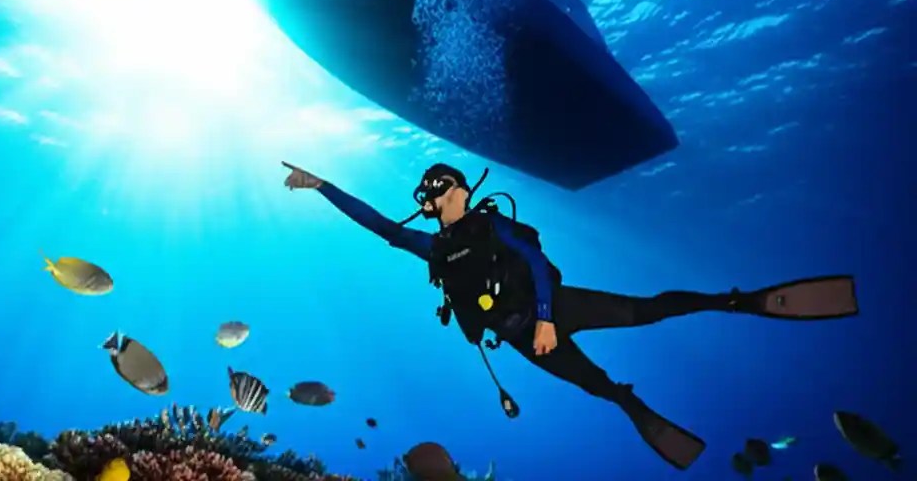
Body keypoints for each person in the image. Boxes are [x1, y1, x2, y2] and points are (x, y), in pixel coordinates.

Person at [280, 161, 860, 471]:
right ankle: (633, 406)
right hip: (522, 338)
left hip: (553, 310)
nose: (426, 199)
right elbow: (381, 226)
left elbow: (535, 261)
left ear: (456, 189)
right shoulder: (434, 248)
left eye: (434, 188)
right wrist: (323, 185)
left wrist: (545, 318)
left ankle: (736, 300)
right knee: (595, 384)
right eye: (425, 192)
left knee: (643, 311)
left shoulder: (489, 223)